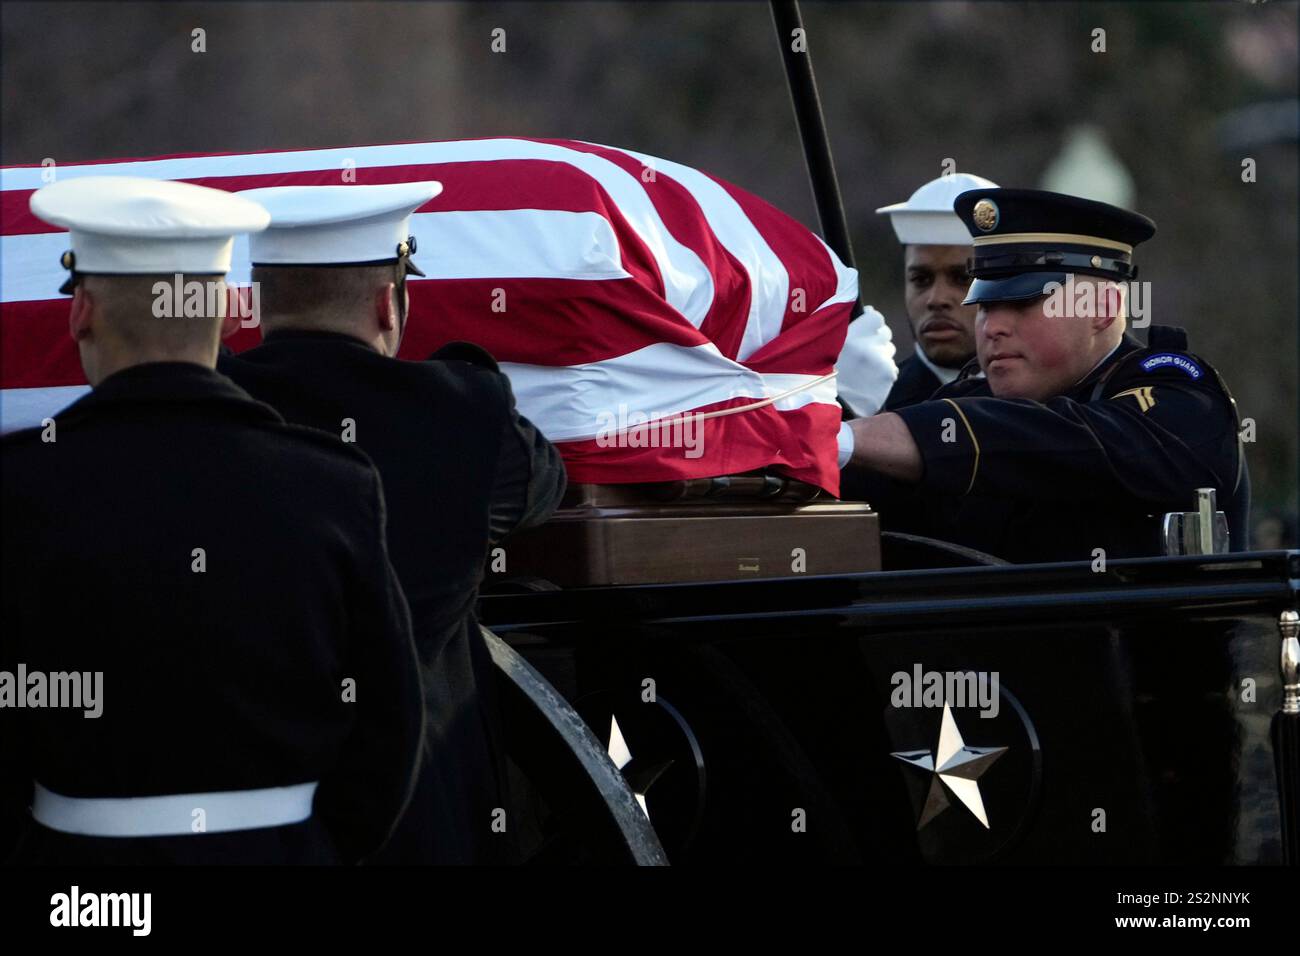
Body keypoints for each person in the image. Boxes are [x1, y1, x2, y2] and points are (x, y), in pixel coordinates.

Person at [1, 177, 424, 864]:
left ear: (80, 311)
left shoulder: (18, 488)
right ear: (230, 314)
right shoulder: (333, 483)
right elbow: (390, 727)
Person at [219, 181, 567, 864]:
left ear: (257, 304)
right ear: (389, 301)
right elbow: (544, 482)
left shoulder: (209, 407)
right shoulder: (462, 418)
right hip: (420, 824)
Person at [840, 188, 1249, 562]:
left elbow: (1060, 443)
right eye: (984, 305)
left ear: (1102, 307)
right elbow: (868, 503)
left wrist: (850, 438)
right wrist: (829, 414)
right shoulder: (973, 399)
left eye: (1022, 303)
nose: (991, 327)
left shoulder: (1178, 397)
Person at [875, 172, 998, 410]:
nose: (937, 299)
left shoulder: (1049, 403)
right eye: (920, 279)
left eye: (963, 278)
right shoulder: (873, 407)